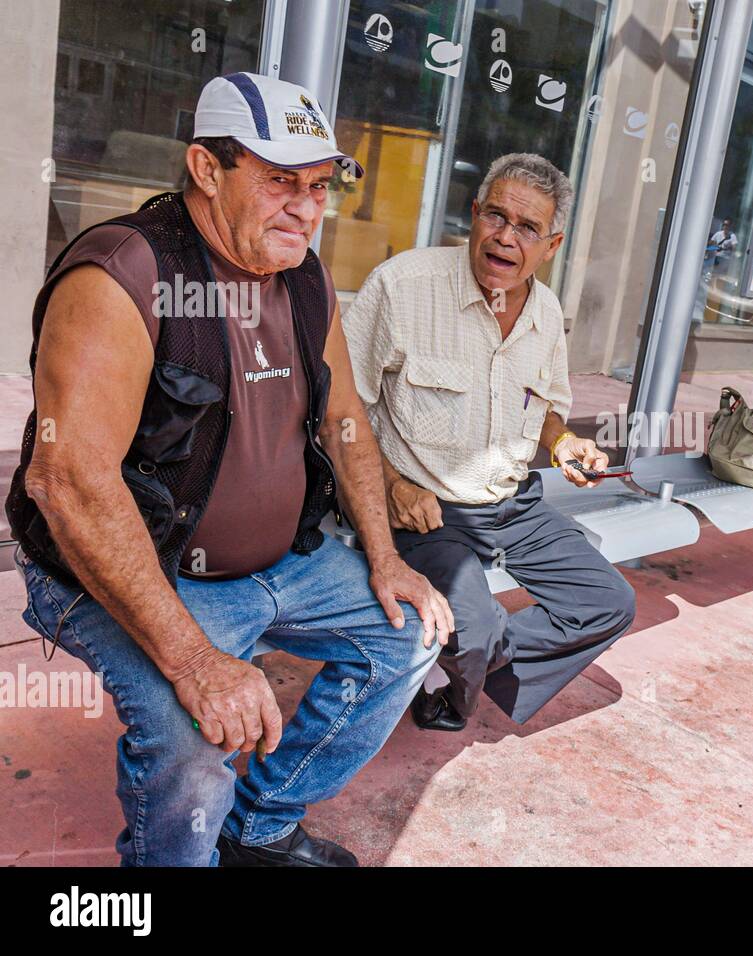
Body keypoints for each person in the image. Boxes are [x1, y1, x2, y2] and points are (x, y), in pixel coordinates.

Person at [7, 73, 455, 867]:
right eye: (280, 182)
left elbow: (345, 420)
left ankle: (262, 825)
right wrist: (194, 661)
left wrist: (386, 559)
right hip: (139, 569)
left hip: (282, 564)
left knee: (410, 632)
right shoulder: (122, 275)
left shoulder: (305, 277)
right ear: (207, 171)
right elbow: (67, 482)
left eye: (319, 188)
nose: (307, 209)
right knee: (192, 730)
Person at [344, 153, 637, 733]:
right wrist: (392, 484)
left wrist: (564, 444)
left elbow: (545, 407)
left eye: (528, 228)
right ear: (474, 215)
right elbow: (339, 410)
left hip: (513, 504)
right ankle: (463, 666)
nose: (506, 238)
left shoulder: (547, 312)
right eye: (496, 217)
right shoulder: (404, 286)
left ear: (550, 247)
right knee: (474, 627)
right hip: (427, 511)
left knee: (608, 604)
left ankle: (466, 669)